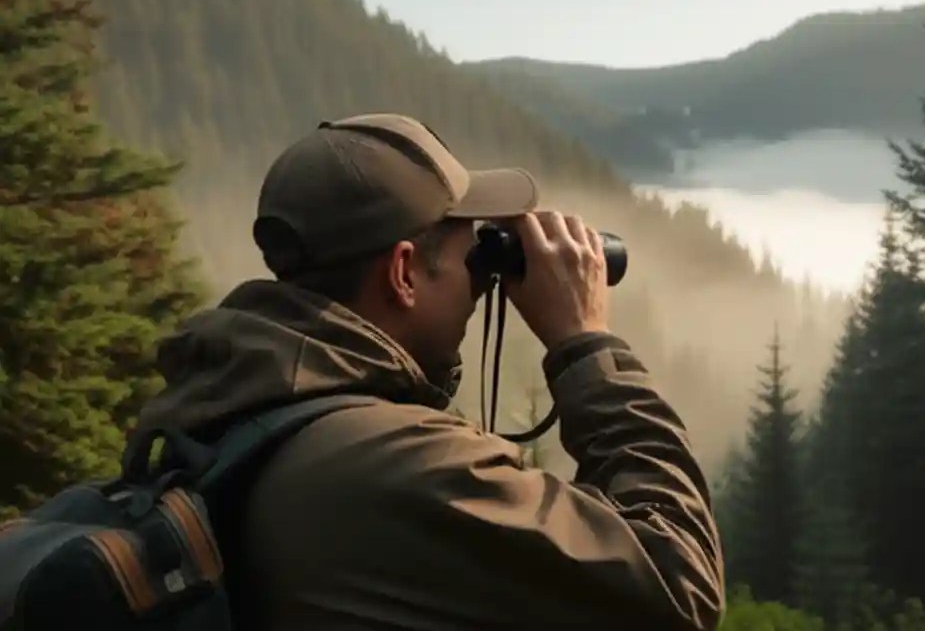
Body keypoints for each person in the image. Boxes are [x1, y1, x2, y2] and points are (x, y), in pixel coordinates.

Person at [131, 113, 726, 629]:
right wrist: (585, 343)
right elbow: (679, 586)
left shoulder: (220, 409)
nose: (482, 282)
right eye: (474, 255)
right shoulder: (405, 464)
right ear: (404, 273)